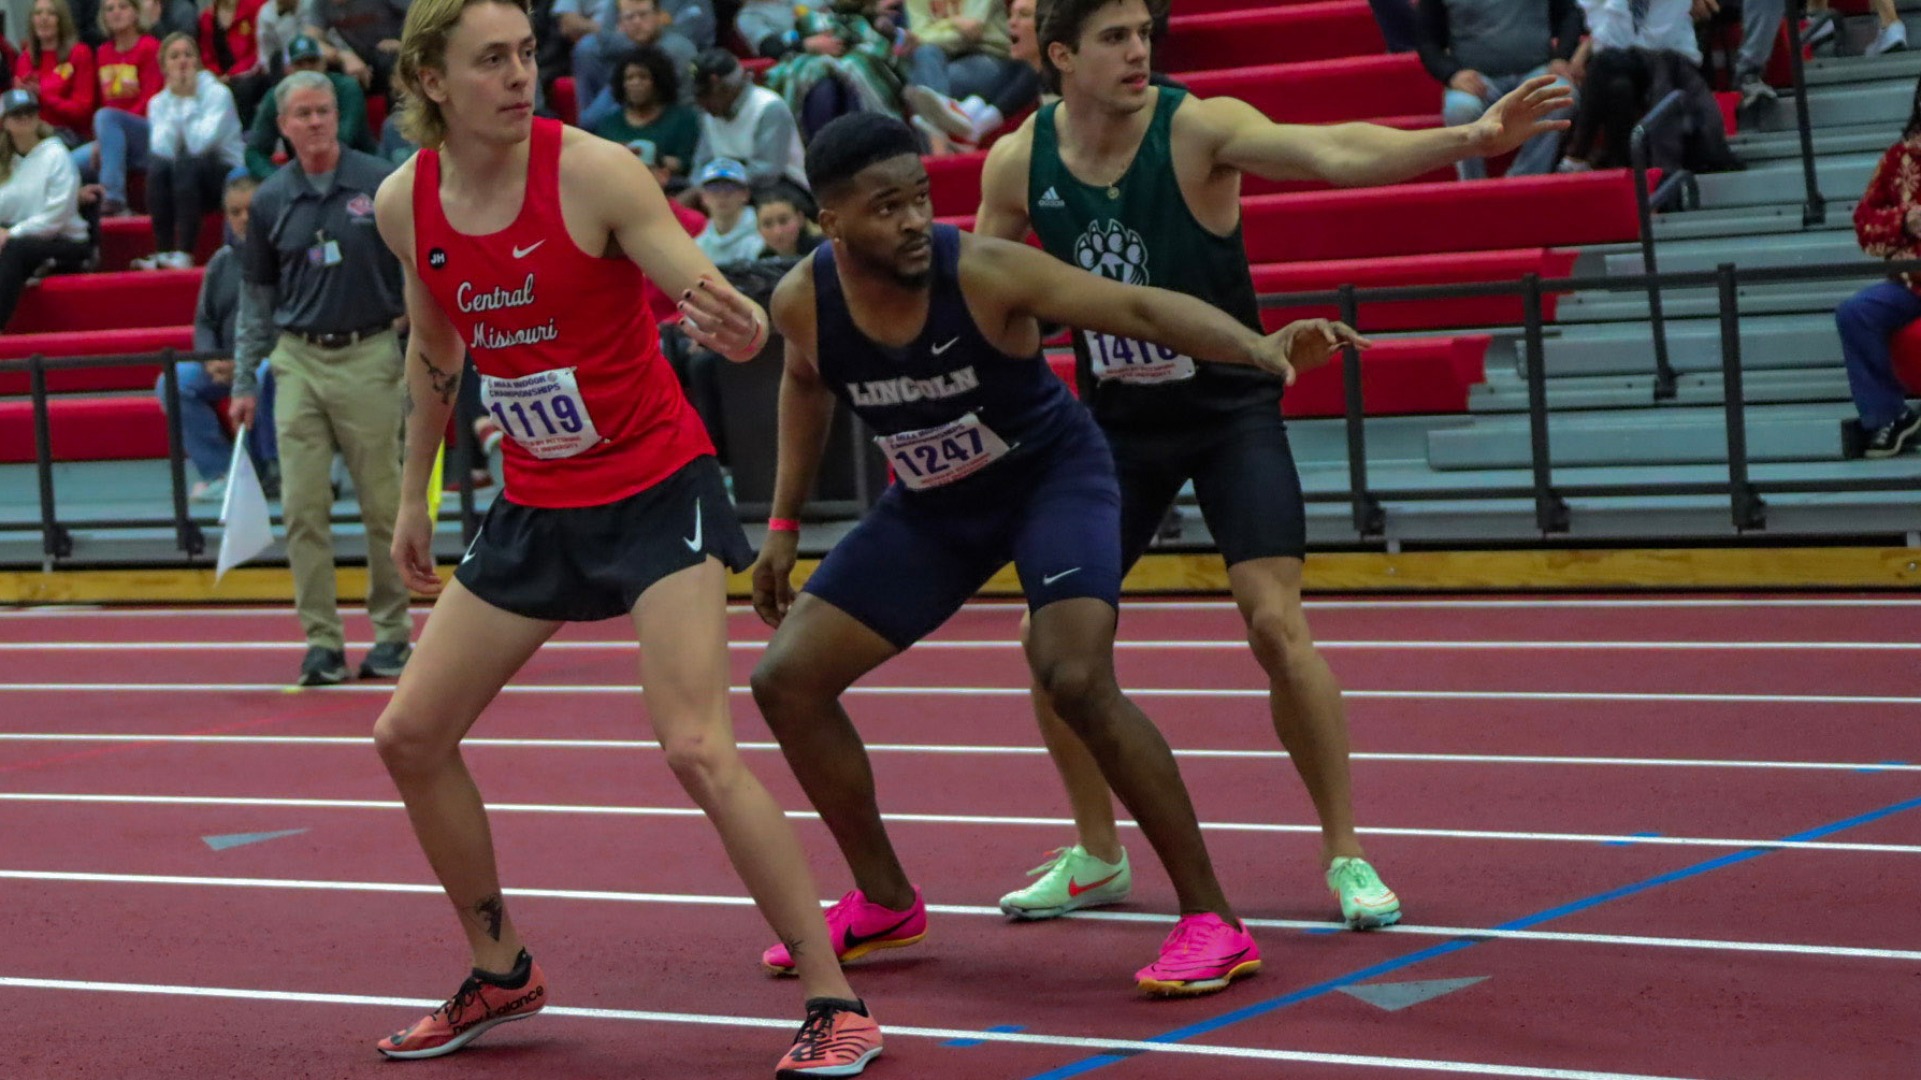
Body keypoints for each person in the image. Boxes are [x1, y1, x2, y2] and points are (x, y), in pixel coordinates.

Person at [366, 1, 883, 1075]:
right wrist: (413, 492)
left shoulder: (593, 171)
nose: (521, 76)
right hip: (534, 499)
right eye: (491, 61)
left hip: (656, 486)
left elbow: (684, 272)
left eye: (526, 55)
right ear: (428, 78)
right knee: (408, 735)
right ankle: (500, 968)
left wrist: (730, 317)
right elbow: (433, 351)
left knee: (695, 744)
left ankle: (835, 1001)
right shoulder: (402, 204)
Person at [974, 0, 1568, 930]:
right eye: (1114, 39)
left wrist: (1473, 134)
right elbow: (984, 289)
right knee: (1047, 643)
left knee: (1272, 625)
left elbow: (1332, 152)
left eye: (1144, 34)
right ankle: (1095, 853)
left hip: (1226, 411)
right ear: (1059, 56)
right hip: (1117, 431)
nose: (1140, 52)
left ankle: (1346, 853)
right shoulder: (1018, 160)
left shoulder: (1196, 126)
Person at [750, 112, 1360, 997]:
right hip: (934, 508)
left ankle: (1212, 920)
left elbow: (1137, 306)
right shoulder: (802, 300)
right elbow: (804, 379)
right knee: (785, 679)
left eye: (919, 198)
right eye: (886, 209)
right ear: (831, 221)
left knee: (1070, 671)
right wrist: (780, 524)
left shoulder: (987, 272)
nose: (914, 221)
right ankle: (884, 899)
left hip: (1052, 483)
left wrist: (1255, 347)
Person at [229, 68, 412, 686]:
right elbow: (256, 300)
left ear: (340, 115)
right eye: (302, 114)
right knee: (303, 507)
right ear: (281, 126)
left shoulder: (380, 181)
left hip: (369, 352)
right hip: (298, 358)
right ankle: (322, 642)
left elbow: (420, 262)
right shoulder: (271, 200)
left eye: (324, 111)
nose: (314, 122)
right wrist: (244, 384)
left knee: (383, 505)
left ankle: (391, 635)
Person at [156, 175, 279, 501]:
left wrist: (244, 364)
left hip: (274, 359)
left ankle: (271, 468)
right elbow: (205, 320)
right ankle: (221, 471)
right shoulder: (220, 263)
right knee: (172, 381)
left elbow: (290, 322)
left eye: (249, 210)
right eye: (234, 212)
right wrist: (209, 358)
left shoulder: (287, 257)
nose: (243, 218)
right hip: (225, 361)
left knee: (266, 375)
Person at [1836, 74, 1921, 459]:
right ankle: (1890, 416)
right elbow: (1864, 222)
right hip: (1909, 283)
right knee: (1855, 313)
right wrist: (1904, 221)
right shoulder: (1898, 158)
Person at [1415, 0, 1579, 180]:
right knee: (1460, 110)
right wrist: (1451, 75)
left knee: (1561, 95)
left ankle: (1523, 180)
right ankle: (1473, 189)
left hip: (1536, 72)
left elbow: (1570, 14)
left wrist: (1562, 57)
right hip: (1476, 80)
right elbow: (1426, 39)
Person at [138, 32, 245, 269]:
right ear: (164, 67)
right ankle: (163, 251)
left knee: (186, 164)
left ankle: (185, 253)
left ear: (198, 61)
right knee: (157, 169)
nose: (183, 61)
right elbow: (162, 150)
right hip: (185, 180)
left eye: (188, 55)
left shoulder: (218, 94)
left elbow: (199, 145)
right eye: (174, 57)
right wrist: (175, 99)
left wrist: (185, 101)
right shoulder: (158, 102)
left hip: (226, 177)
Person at [0, 88, 93, 330]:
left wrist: (12, 233)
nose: (24, 118)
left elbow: (57, 217)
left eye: (29, 112)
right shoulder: (4, 162)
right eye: (17, 114)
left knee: (15, 249)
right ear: (5, 122)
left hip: (65, 240)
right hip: (20, 236)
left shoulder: (56, 154)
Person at [899, 0, 1038, 147]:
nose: (1012, 21)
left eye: (1023, 15)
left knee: (918, 89)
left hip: (988, 57)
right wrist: (954, 22)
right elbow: (919, 35)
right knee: (926, 54)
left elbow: (973, 29)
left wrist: (934, 30)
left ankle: (938, 152)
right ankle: (947, 137)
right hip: (942, 61)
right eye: (1012, 15)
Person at [70, 0, 160, 217]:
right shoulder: (103, 52)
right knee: (65, 163)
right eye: (110, 9)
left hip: (146, 133)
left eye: (123, 7)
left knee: (107, 118)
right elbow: (103, 102)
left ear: (135, 13)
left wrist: (110, 132)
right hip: (112, 137)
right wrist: (104, 139)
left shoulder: (150, 47)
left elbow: (150, 101)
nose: (116, 13)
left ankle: (113, 200)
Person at [244, 33, 373, 180]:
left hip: (357, 168)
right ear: (288, 70)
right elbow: (254, 153)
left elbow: (340, 139)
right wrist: (279, 181)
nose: (307, 69)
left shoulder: (346, 88)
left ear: (324, 64)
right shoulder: (276, 97)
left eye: (312, 62)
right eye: (299, 64)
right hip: (304, 175)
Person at [583, 43, 699, 175]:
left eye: (643, 77)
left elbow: (686, 164)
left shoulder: (683, 119)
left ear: (659, 82)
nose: (635, 83)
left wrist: (654, 157)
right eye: (629, 78)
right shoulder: (610, 123)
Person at [14, 0, 97, 139]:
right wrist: (19, 95)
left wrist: (43, 95)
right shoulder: (25, 58)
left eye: (51, 13)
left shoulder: (79, 53)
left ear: (62, 21)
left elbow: (82, 110)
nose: (43, 18)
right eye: (38, 13)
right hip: (34, 135)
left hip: (72, 134)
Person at [692, 156, 761, 265]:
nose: (722, 194)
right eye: (714, 188)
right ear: (703, 197)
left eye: (730, 187)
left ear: (745, 194)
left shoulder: (763, 234)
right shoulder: (698, 246)